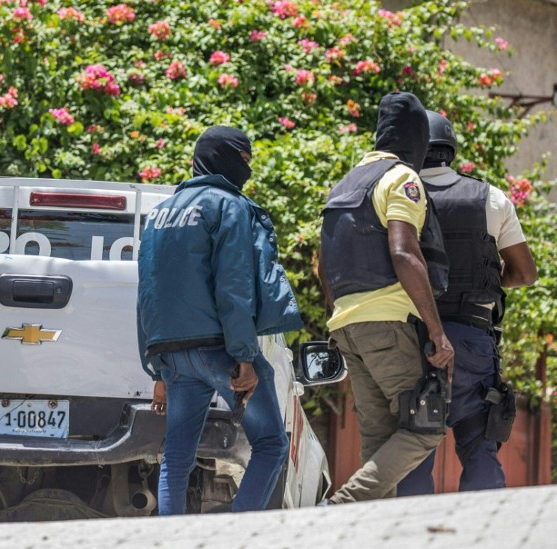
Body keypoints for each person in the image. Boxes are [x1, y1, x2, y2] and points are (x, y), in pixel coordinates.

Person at [137, 126, 301, 514]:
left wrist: (156, 371)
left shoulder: (159, 213)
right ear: (223, 158)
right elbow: (234, 287)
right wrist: (244, 358)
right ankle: (234, 535)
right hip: (220, 351)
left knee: (176, 461)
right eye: (243, 159)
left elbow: (147, 294)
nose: (247, 168)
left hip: (173, 357)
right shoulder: (229, 205)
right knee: (271, 445)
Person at [318, 91, 456, 505]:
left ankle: (366, 533)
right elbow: (403, 251)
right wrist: (437, 332)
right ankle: (341, 507)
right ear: (415, 140)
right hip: (390, 321)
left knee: (379, 438)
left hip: (347, 324)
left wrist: (342, 311)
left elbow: (322, 265)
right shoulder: (400, 178)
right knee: (425, 427)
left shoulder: (342, 185)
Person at [396, 111, 537, 495]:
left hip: (411, 336)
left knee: (413, 449)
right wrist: (490, 282)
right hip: (472, 339)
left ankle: (406, 534)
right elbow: (525, 273)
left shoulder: (395, 195)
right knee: (479, 448)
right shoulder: (490, 198)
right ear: (451, 149)